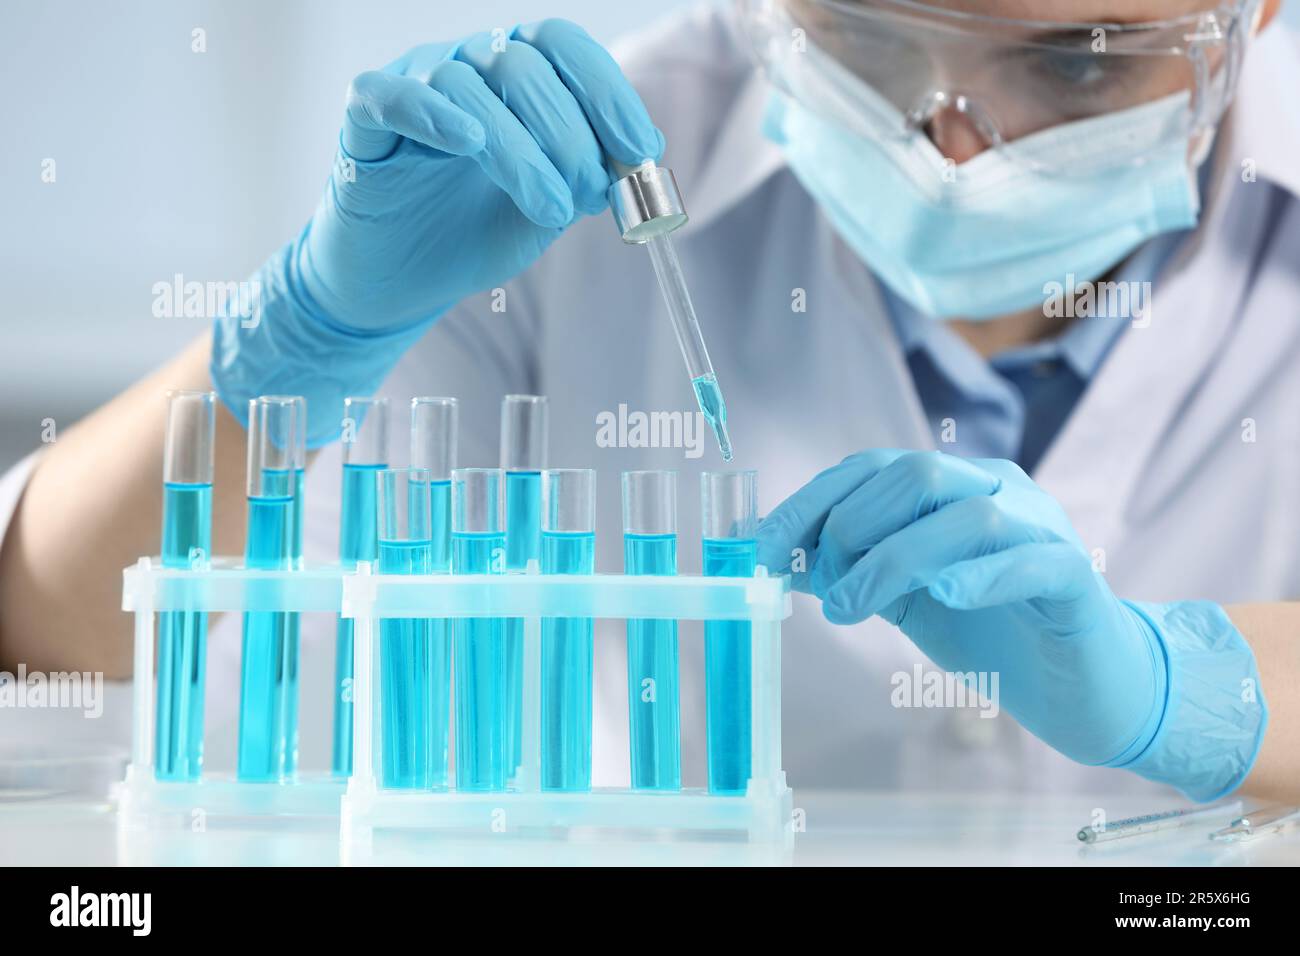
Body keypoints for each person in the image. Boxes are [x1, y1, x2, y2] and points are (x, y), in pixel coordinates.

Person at [1, 0, 1296, 800]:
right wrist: (304, 332)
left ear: (1261, 17)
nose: (954, 146)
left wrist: (1184, 691)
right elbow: (53, 648)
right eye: (881, 35)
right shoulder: (534, 191)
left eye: (1081, 68)